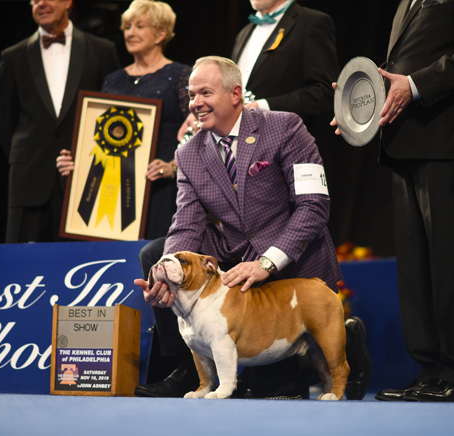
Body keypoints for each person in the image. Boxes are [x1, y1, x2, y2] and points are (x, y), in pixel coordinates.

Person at [133, 56, 371, 400]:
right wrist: (167, 273)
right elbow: (186, 221)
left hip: (290, 261)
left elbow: (314, 206)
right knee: (156, 253)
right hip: (233, 255)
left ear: (235, 94)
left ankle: (345, 342)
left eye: (205, 93)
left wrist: (267, 263)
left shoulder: (285, 126)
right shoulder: (188, 153)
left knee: (275, 393)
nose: (195, 103)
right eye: (190, 95)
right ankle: (190, 367)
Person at [333, 0, 454, 402]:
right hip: (404, 143)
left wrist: (415, 85)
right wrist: (363, 100)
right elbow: (397, 71)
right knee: (415, 267)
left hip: (452, 142)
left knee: (453, 261)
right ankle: (429, 371)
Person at [56, 0, 190, 240]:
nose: (130, 33)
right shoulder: (113, 80)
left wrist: (172, 167)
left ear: (161, 33)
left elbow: (198, 133)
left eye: (139, 26)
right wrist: (78, 163)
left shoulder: (180, 76)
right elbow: (99, 137)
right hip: (112, 194)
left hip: (162, 190)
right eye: (127, 27)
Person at [0, 0, 120, 243]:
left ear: (68, 2)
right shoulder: (12, 56)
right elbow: (4, 121)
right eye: (34, 0)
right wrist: (29, 155)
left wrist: (88, 161)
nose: (40, 3)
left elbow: (114, 118)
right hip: (28, 179)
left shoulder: (102, 50)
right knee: (21, 268)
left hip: (84, 181)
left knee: (79, 268)